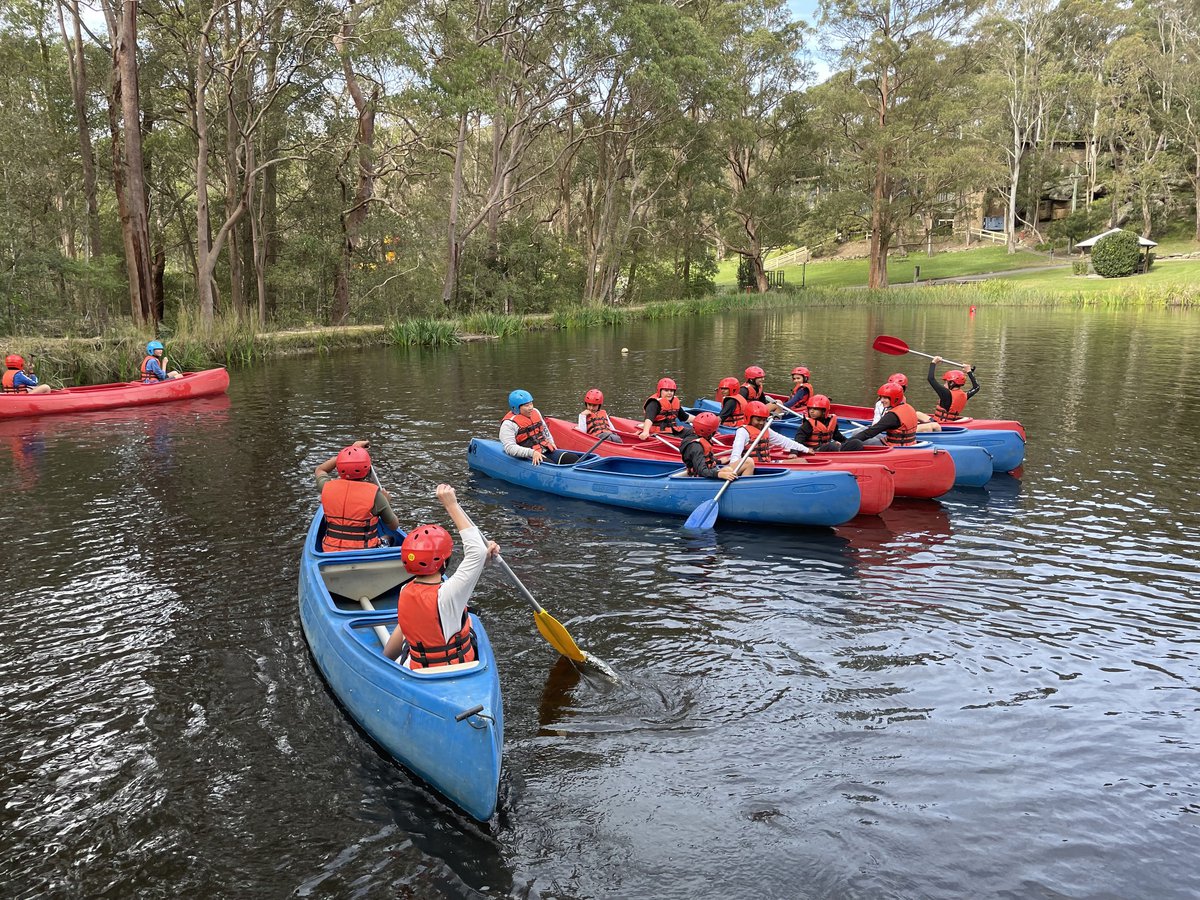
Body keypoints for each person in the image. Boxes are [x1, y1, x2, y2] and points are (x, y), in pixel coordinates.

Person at [383, 484, 500, 669]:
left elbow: (404, 629)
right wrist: (451, 505)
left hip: (417, 669)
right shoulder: (449, 595)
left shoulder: (406, 590)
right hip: (456, 670)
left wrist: (385, 661)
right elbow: (475, 552)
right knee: (470, 620)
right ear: (444, 563)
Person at [314, 440, 401, 552]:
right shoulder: (376, 496)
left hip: (330, 551)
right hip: (364, 552)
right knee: (389, 538)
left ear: (339, 467)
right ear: (367, 470)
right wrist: (385, 501)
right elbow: (394, 526)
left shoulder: (326, 487)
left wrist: (348, 453)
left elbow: (320, 469)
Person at [727, 400, 812, 474]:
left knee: (802, 461)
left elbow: (783, 441)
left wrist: (805, 449)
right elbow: (736, 453)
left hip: (767, 463)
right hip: (755, 466)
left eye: (764, 420)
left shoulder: (765, 429)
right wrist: (734, 467)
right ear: (749, 418)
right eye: (758, 420)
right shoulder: (742, 431)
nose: (761, 423)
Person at [501, 389, 577, 464]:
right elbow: (509, 448)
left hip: (544, 449)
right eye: (527, 405)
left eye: (531, 403)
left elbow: (544, 429)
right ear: (516, 408)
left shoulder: (536, 412)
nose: (531, 407)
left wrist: (551, 442)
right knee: (550, 465)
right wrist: (532, 453)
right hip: (528, 455)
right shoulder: (508, 423)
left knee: (572, 458)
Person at [853, 383, 921, 447]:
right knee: (861, 430)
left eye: (885, 398)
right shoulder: (909, 407)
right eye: (881, 397)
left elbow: (870, 433)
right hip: (909, 443)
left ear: (895, 399)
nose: (881, 400)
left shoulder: (892, 416)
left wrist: (846, 443)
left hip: (895, 446)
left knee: (856, 435)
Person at [679, 412, 737, 481]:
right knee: (728, 470)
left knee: (748, 462)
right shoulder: (696, 446)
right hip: (701, 478)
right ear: (711, 432)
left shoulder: (701, 439)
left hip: (711, 471)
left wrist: (719, 461)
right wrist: (719, 474)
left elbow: (706, 460)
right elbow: (702, 470)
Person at [793, 394, 864, 451]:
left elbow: (837, 436)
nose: (811, 411)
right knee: (833, 446)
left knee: (857, 443)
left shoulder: (830, 421)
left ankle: (846, 454)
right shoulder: (808, 424)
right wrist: (794, 453)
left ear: (824, 411)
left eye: (815, 409)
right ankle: (838, 453)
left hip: (829, 447)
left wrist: (846, 442)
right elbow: (798, 440)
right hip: (814, 450)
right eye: (810, 409)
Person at [873, 373, 940, 432]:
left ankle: (932, 423)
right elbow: (879, 422)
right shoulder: (882, 403)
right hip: (894, 429)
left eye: (900, 388)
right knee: (935, 426)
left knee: (917, 414)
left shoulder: (902, 399)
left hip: (901, 425)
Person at [928, 356, 979, 423]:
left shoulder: (946, 394)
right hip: (950, 423)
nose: (944, 385)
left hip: (940, 425)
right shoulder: (964, 395)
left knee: (917, 414)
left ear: (951, 383)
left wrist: (934, 362)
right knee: (918, 414)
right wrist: (969, 372)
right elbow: (976, 387)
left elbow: (931, 379)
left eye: (946, 382)